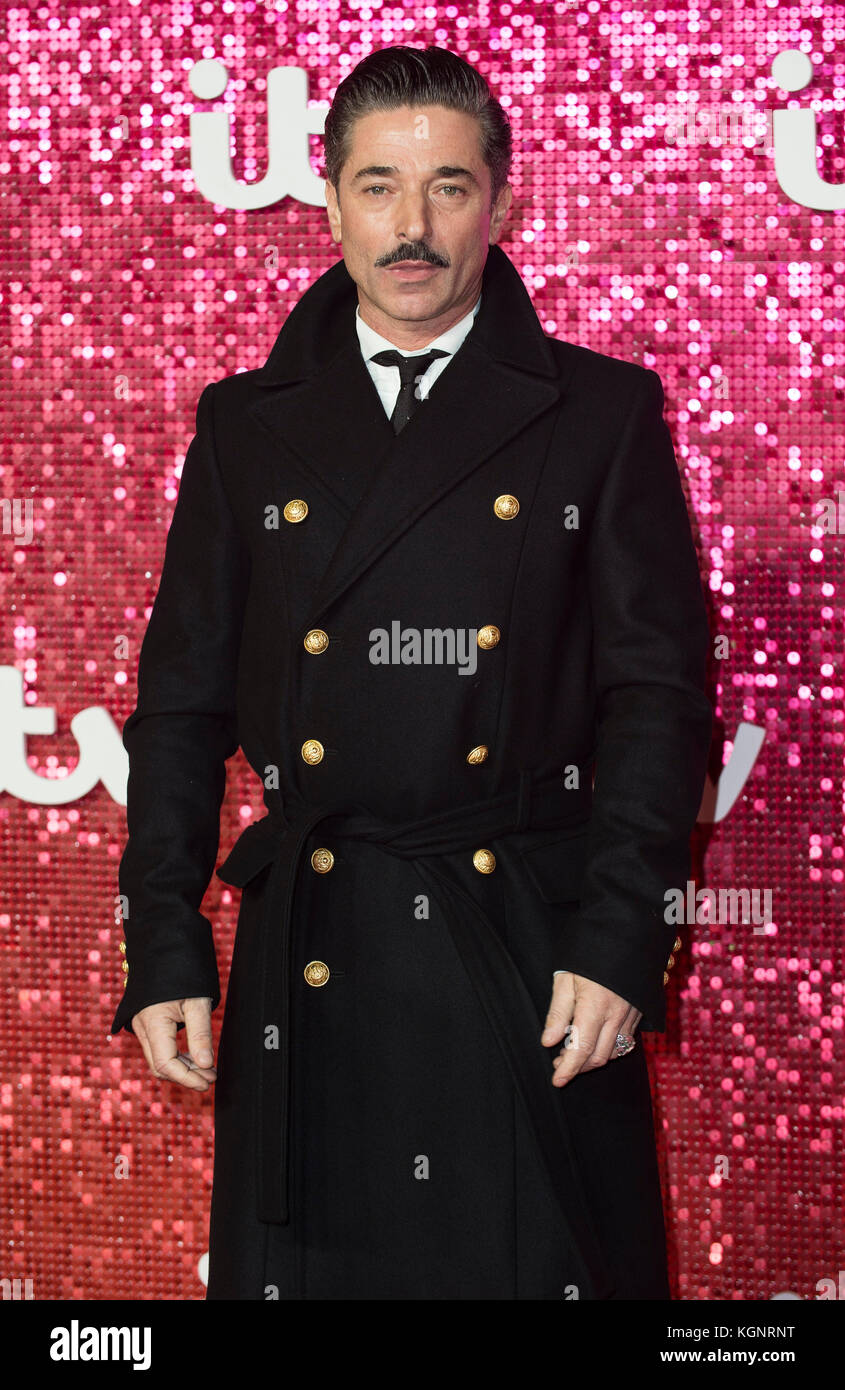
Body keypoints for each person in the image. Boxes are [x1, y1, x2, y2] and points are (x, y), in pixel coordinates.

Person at [111, 44, 713, 1300]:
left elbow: (656, 703)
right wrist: (163, 935)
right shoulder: (243, 423)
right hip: (317, 950)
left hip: (526, 951)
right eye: (377, 186)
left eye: (448, 187)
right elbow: (177, 708)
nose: (412, 227)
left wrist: (620, 939)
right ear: (327, 200)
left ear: (499, 201)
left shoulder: (598, 416)